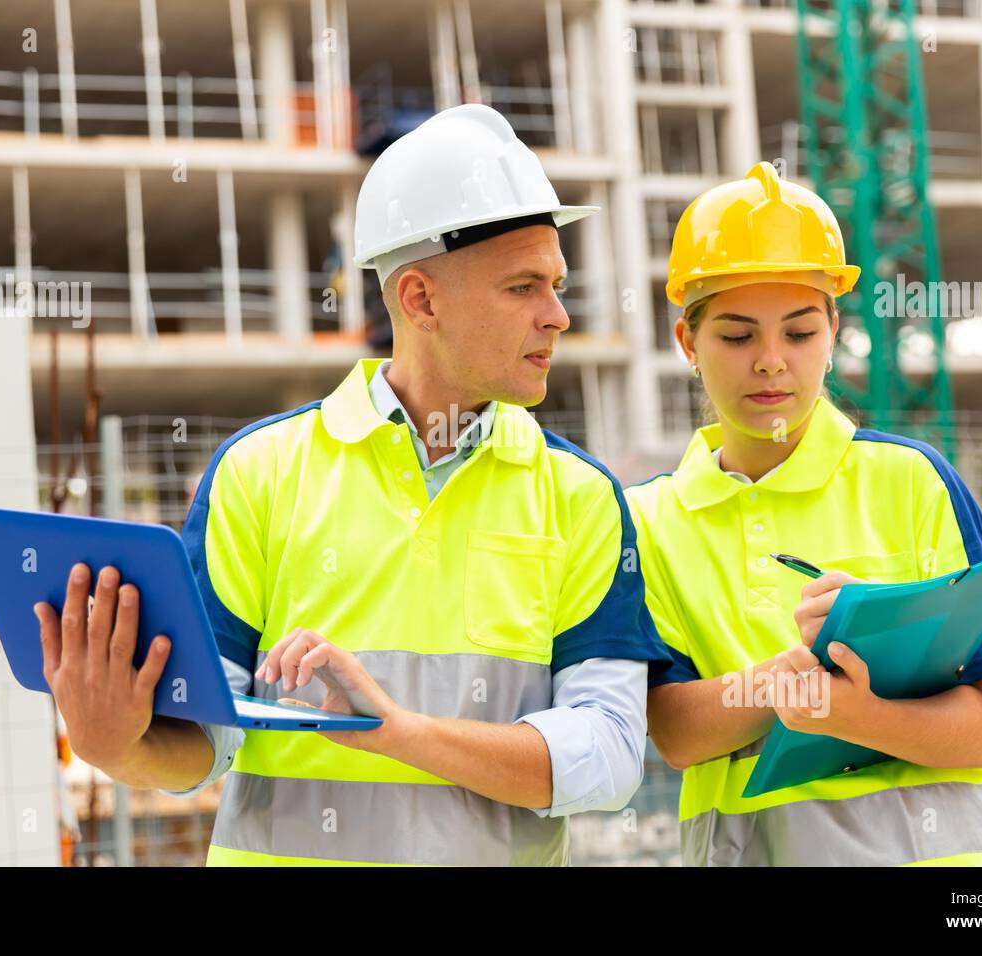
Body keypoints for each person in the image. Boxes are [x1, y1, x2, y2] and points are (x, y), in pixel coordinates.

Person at [35, 104, 670, 866]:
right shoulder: (259, 472)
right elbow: (208, 737)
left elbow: (607, 759)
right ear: (420, 299)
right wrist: (118, 746)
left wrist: (400, 732)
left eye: (557, 284)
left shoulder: (581, 497)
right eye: (523, 288)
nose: (558, 316)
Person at [627, 161, 982, 866]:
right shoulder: (648, 520)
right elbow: (673, 733)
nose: (770, 363)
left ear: (833, 331)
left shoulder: (912, 480)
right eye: (736, 336)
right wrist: (784, 683)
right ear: (687, 344)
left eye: (799, 334)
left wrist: (860, 712)